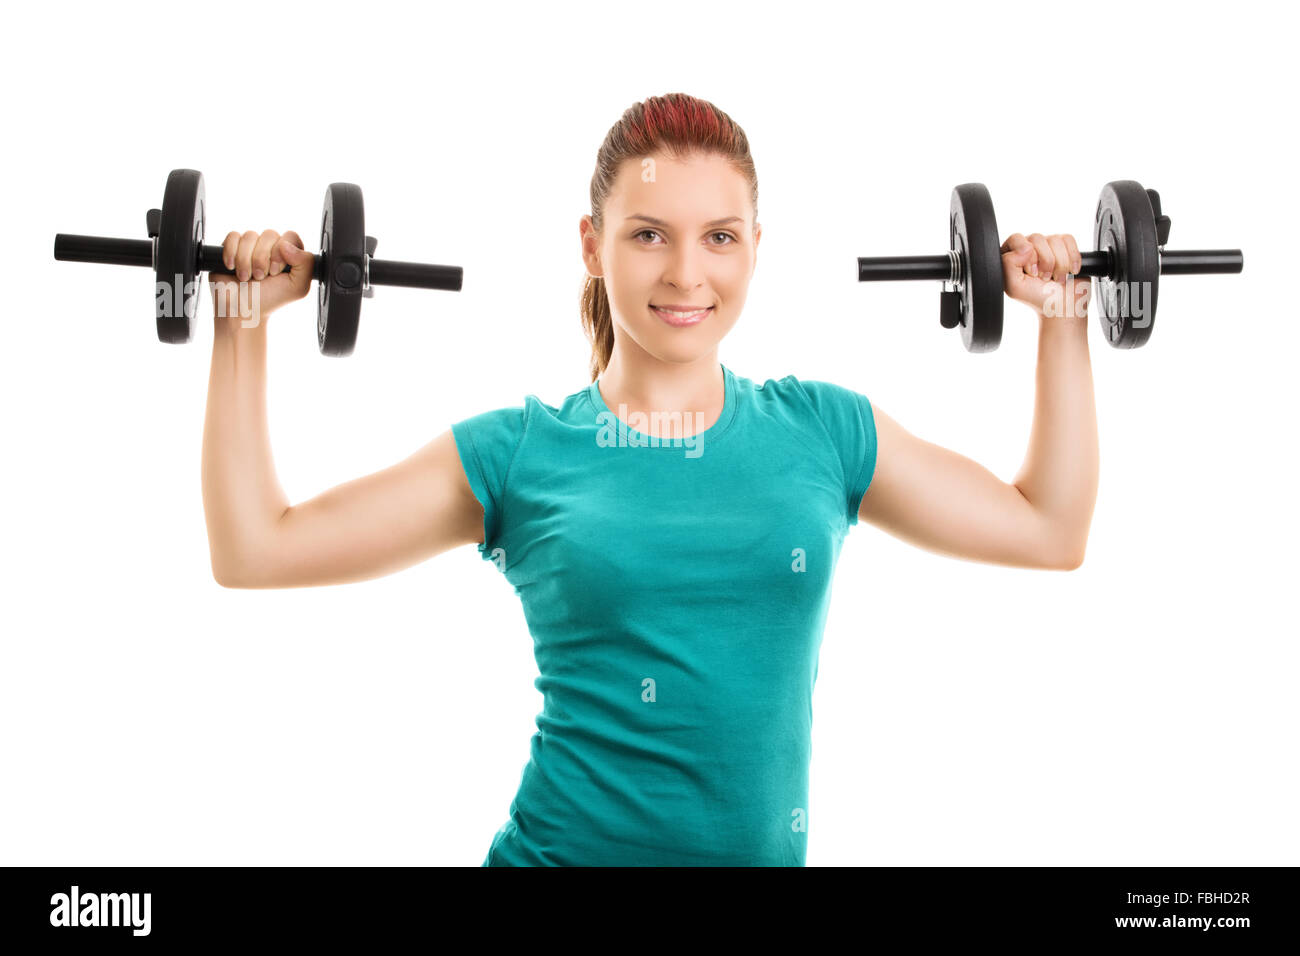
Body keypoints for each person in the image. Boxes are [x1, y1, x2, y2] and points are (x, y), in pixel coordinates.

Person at [202, 93, 1098, 866]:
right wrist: (241, 321)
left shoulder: (825, 433)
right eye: (647, 236)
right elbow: (256, 548)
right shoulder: (519, 454)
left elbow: (1049, 530)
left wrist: (1064, 316)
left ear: (756, 248)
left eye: (719, 237)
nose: (686, 273)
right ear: (592, 247)